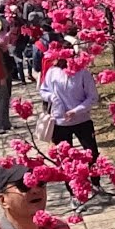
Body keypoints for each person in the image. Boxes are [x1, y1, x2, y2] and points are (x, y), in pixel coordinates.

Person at [39, 53, 101, 210]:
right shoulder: (52, 72)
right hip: (59, 122)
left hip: (82, 120)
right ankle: (74, 194)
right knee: (65, 160)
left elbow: (93, 97)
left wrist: (77, 110)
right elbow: (43, 90)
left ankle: (96, 184)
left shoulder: (83, 73)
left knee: (92, 154)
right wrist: (51, 97)